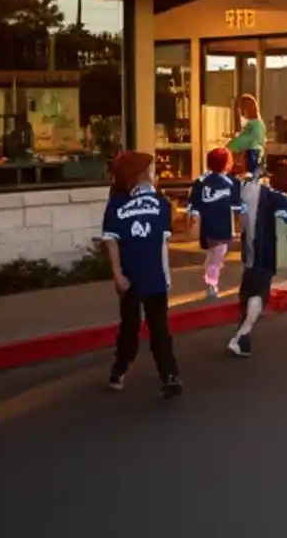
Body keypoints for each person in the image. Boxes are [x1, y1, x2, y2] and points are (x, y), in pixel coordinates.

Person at [100, 151, 182, 399]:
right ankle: (120, 367)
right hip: (131, 276)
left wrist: (167, 276)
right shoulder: (116, 204)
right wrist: (117, 275)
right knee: (130, 326)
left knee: (159, 327)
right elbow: (111, 242)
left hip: (155, 276)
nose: (154, 175)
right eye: (151, 170)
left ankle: (169, 375)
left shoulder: (161, 203)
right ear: (138, 175)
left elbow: (162, 244)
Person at [228, 160, 287, 358]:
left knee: (247, 293)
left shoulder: (254, 192)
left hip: (249, 253)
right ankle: (241, 336)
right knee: (259, 297)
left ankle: (243, 339)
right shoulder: (283, 202)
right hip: (267, 255)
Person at [187, 147, 241, 300]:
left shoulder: (201, 181)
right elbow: (238, 206)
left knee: (215, 253)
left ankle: (211, 276)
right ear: (227, 163)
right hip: (223, 225)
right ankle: (211, 283)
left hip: (207, 226)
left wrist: (193, 220)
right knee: (217, 255)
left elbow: (193, 206)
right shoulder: (232, 183)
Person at [228, 93, 267, 179]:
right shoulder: (254, 124)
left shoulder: (256, 125)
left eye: (242, 108)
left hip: (252, 157)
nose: (241, 112)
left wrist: (230, 147)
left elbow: (246, 141)